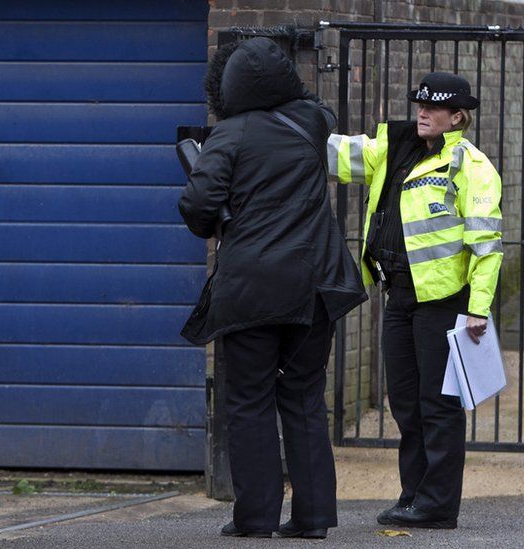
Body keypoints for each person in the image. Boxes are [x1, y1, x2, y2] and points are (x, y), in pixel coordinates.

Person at [177, 37, 367, 539]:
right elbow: (315, 103)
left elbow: (197, 203)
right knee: (305, 398)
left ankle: (255, 517)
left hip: (252, 290)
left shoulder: (227, 134)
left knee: (248, 400)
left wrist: (218, 223)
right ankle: (313, 519)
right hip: (314, 287)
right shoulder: (309, 122)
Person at [328, 72, 503, 529]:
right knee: (405, 402)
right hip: (399, 296)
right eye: (419, 104)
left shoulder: (470, 166)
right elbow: (341, 154)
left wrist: (477, 308)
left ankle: (438, 505)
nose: (422, 112)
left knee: (437, 404)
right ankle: (414, 495)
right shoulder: (396, 148)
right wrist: (290, 126)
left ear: (457, 117)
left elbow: (487, 249)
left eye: (434, 107)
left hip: (444, 303)